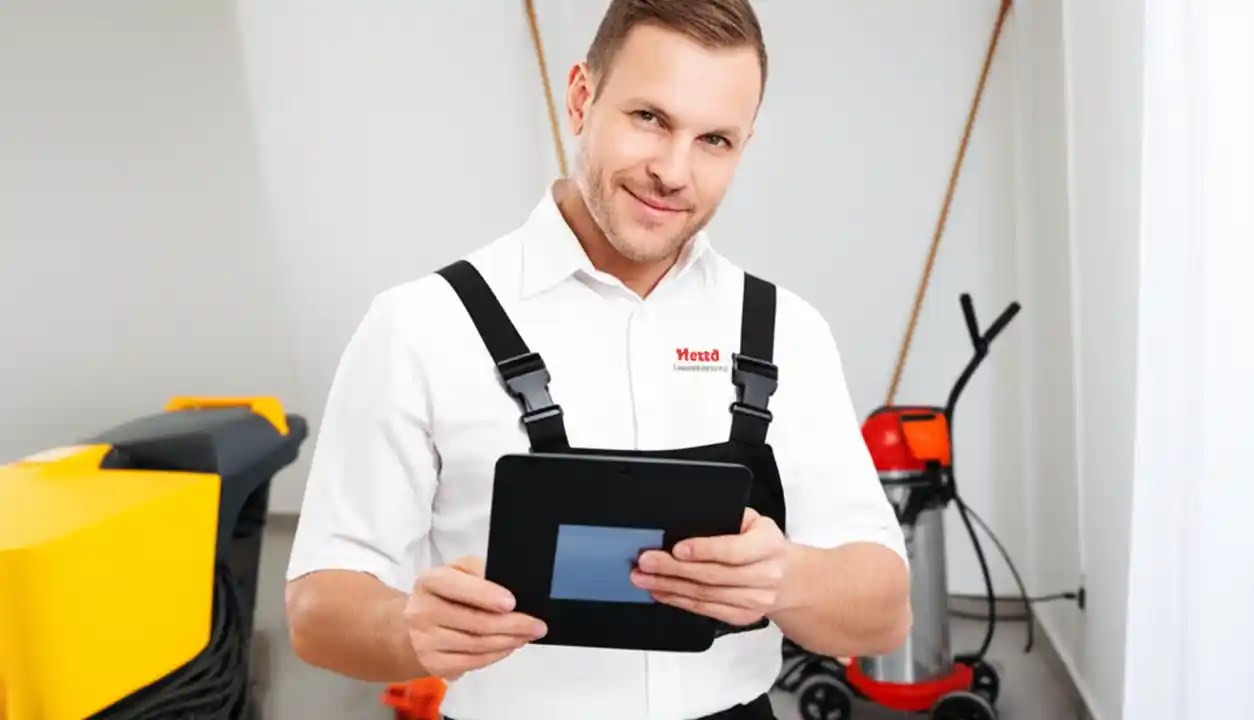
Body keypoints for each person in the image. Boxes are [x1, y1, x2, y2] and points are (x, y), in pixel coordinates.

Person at [284, 1, 911, 718]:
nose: (674, 172)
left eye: (714, 140)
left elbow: (885, 614)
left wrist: (786, 579)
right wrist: (405, 628)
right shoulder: (422, 325)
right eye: (650, 118)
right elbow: (315, 609)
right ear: (582, 97)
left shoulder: (785, 331)